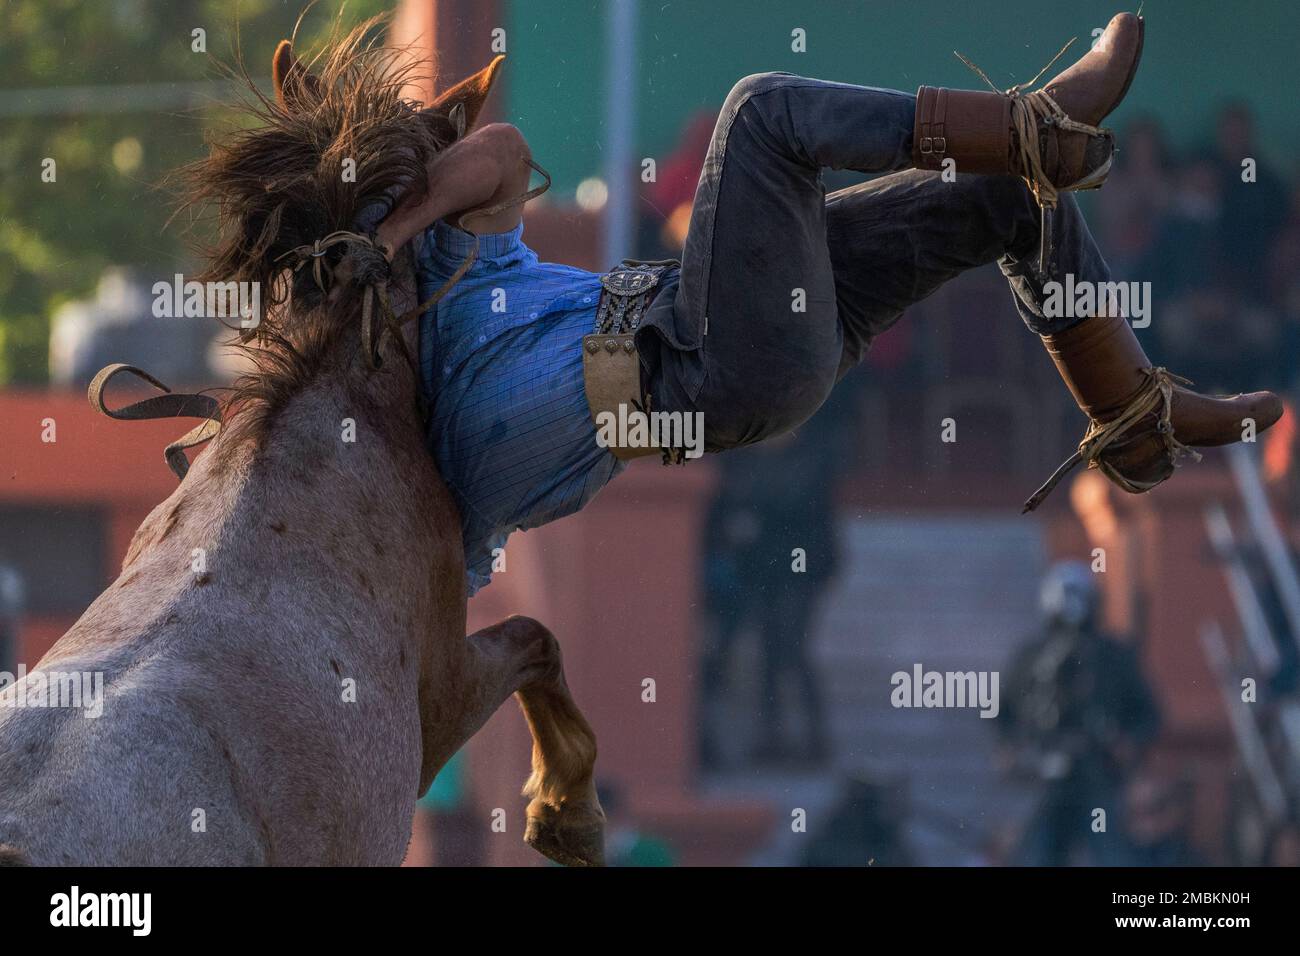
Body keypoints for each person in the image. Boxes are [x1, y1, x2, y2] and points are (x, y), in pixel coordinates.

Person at [352, 11, 1280, 595]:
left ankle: (1131, 409)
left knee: (1002, 197)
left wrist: (395, 230)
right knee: (760, 111)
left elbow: (501, 150)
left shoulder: (471, 275)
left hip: (779, 327)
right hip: (718, 365)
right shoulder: (455, 463)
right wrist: (382, 238)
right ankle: (1034, 123)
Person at [998, 561, 1161, 866]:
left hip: (1098, 773)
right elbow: (999, 708)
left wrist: (1128, 743)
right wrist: (1007, 746)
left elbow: (1149, 715)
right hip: (1045, 778)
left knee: (1112, 855)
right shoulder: (1032, 659)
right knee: (1038, 854)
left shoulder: (1114, 658)